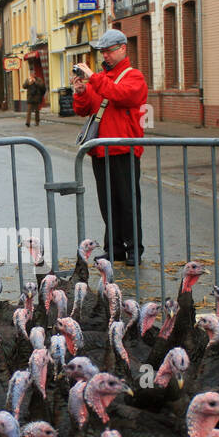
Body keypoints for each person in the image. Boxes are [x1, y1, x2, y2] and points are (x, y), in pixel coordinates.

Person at [72, 28, 147, 266]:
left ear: (123, 48)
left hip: (124, 148)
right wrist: (81, 92)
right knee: (108, 203)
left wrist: (93, 79)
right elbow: (84, 110)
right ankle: (114, 249)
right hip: (100, 150)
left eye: (109, 51)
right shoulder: (100, 79)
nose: (105, 55)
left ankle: (134, 248)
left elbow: (121, 95)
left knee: (128, 202)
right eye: (102, 52)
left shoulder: (133, 76)